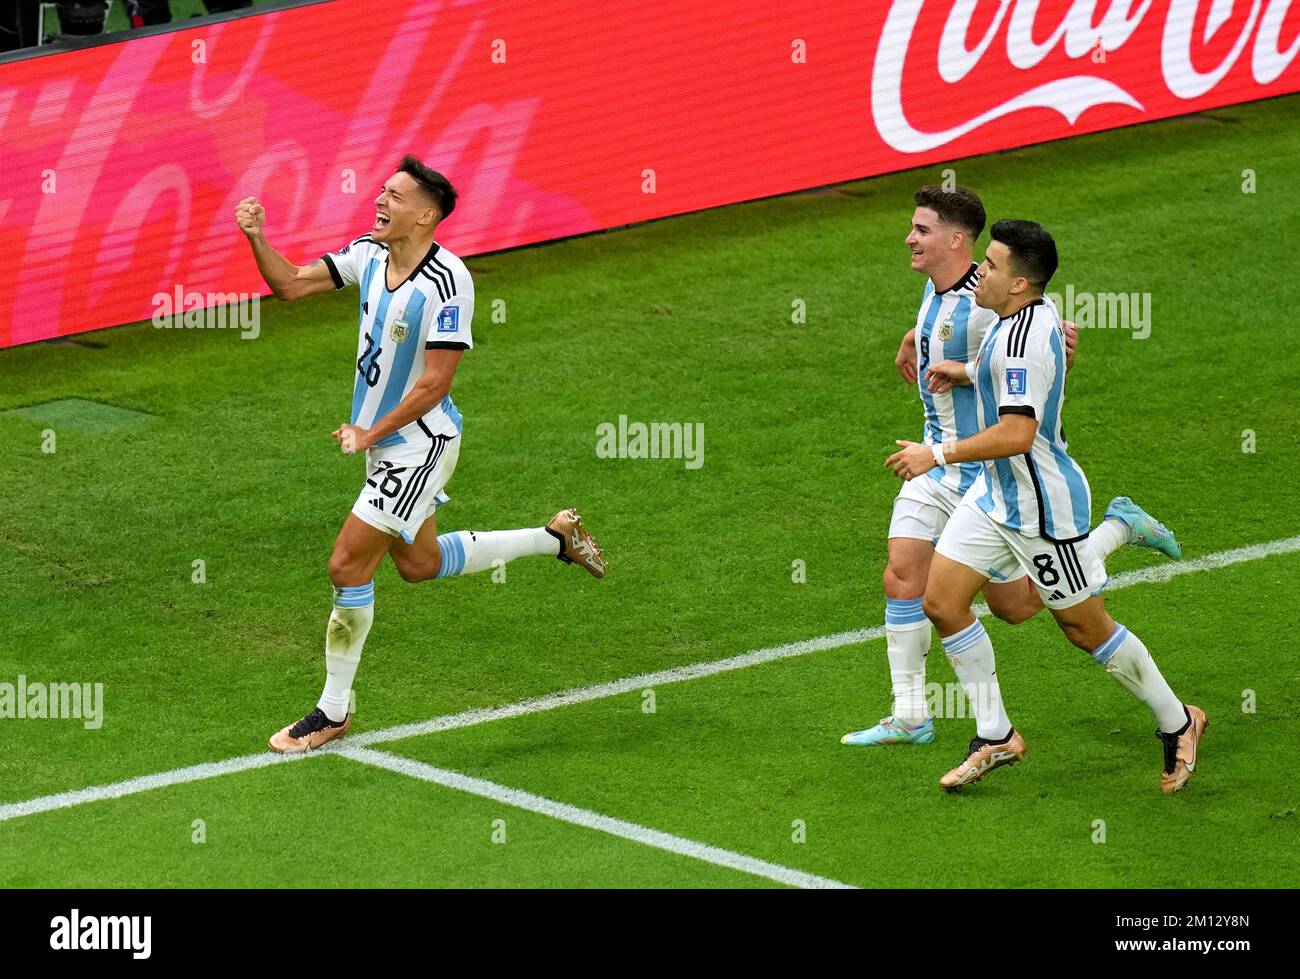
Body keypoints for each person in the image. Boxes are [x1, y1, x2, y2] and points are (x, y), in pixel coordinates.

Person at [235, 156, 606, 754]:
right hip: (385, 443)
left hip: (420, 445)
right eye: (382, 191)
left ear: (426, 215)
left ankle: (331, 713)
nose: (380, 201)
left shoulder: (448, 281)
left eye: (395, 196)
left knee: (346, 566)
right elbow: (290, 284)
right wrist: (257, 239)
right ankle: (554, 537)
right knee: (419, 564)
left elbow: (434, 383)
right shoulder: (370, 254)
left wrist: (367, 432)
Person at [842, 187, 1179, 748]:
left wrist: (1060, 343)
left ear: (957, 241)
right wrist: (915, 341)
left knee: (1019, 607)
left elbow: (1036, 343)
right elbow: (951, 325)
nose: (910, 238)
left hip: (990, 473)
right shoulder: (939, 286)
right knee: (906, 575)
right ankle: (914, 716)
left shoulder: (995, 298)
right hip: (939, 462)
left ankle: (1115, 532)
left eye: (921, 230)